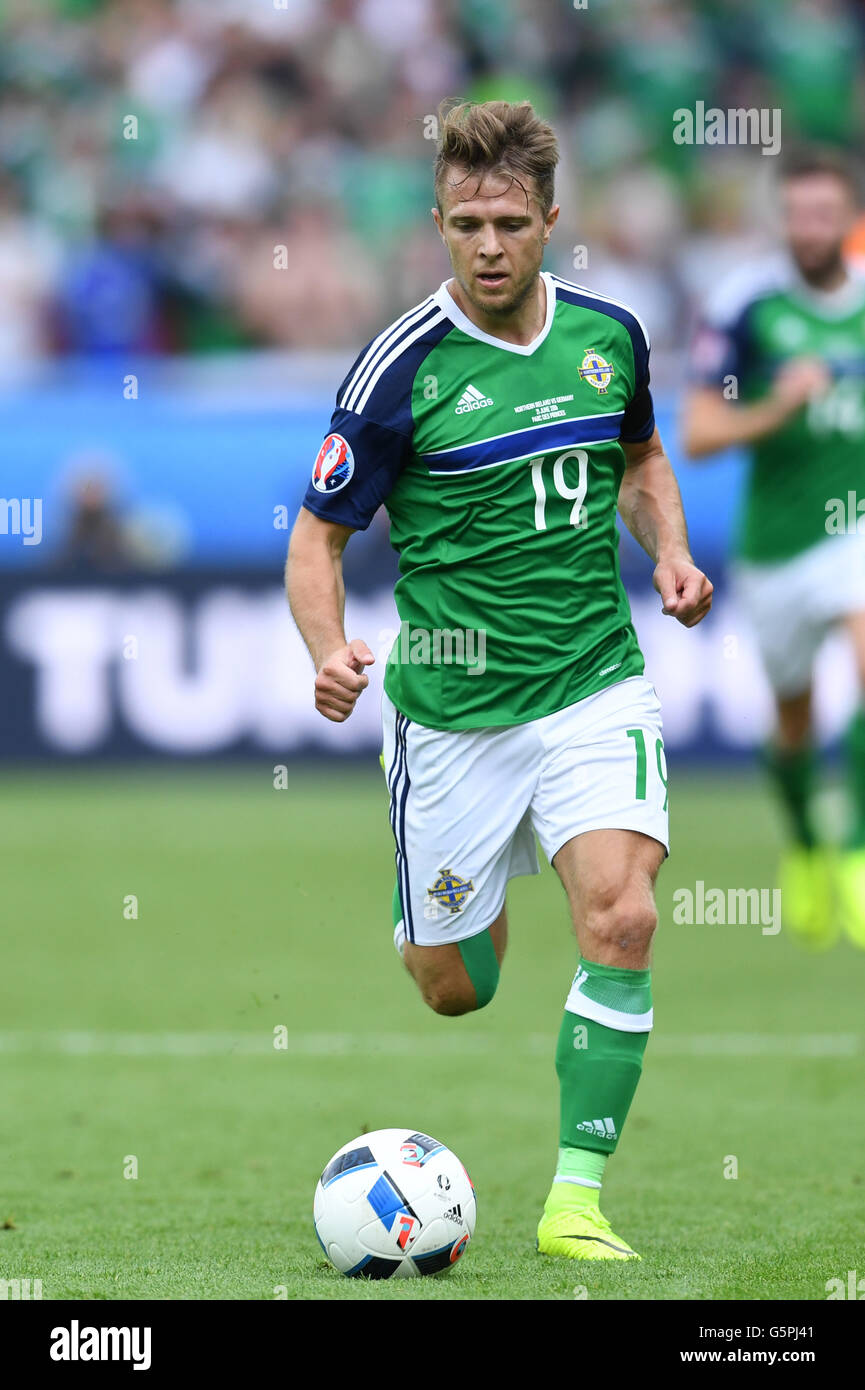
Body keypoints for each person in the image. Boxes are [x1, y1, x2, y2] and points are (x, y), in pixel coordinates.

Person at [288, 100, 712, 1262]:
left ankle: (575, 1200)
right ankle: (430, 906)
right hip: (453, 713)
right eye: (466, 223)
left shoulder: (610, 336)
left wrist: (667, 553)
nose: (487, 244)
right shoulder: (397, 369)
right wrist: (328, 650)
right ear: (436, 222)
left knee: (621, 919)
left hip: (592, 682)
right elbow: (317, 538)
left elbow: (638, 459)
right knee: (453, 988)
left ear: (548, 221)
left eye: (509, 223)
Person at [682, 148, 865, 952]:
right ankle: (803, 841)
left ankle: (856, 849)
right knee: (793, 722)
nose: (809, 231)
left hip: (851, 530)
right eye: (796, 216)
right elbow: (696, 433)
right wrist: (774, 407)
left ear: (848, 219)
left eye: (824, 215)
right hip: (775, 549)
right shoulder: (745, 307)